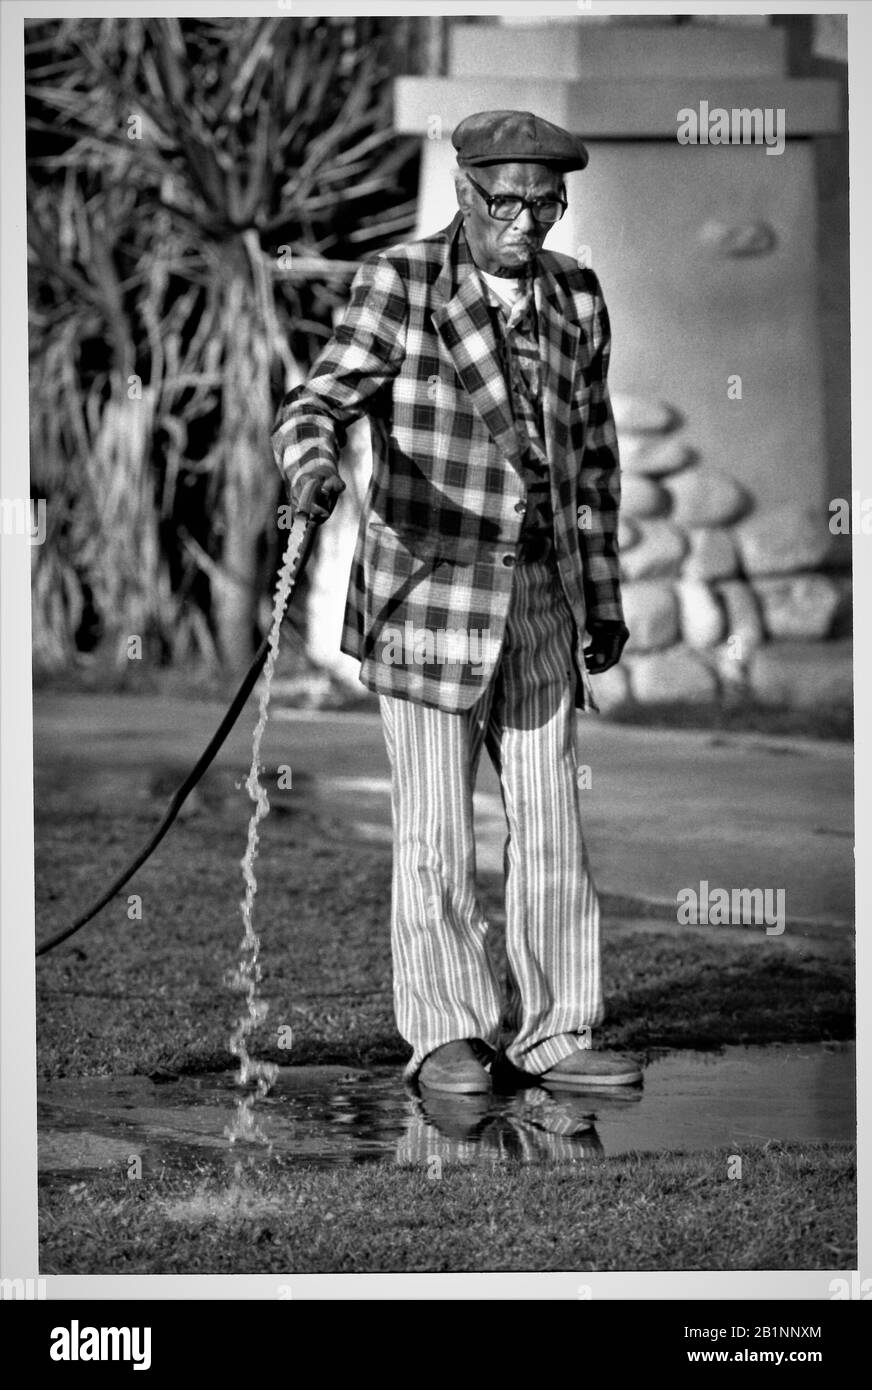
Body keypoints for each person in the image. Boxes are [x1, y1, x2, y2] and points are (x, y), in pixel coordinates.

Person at [271, 109, 640, 1096]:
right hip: (425, 596)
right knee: (435, 830)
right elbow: (316, 403)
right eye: (508, 203)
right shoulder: (399, 282)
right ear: (464, 191)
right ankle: (446, 1034)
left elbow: (593, 463)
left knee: (552, 819)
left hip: (540, 600)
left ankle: (560, 1034)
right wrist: (312, 470)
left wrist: (600, 595)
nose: (527, 224)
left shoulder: (576, 297)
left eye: (546, 205)